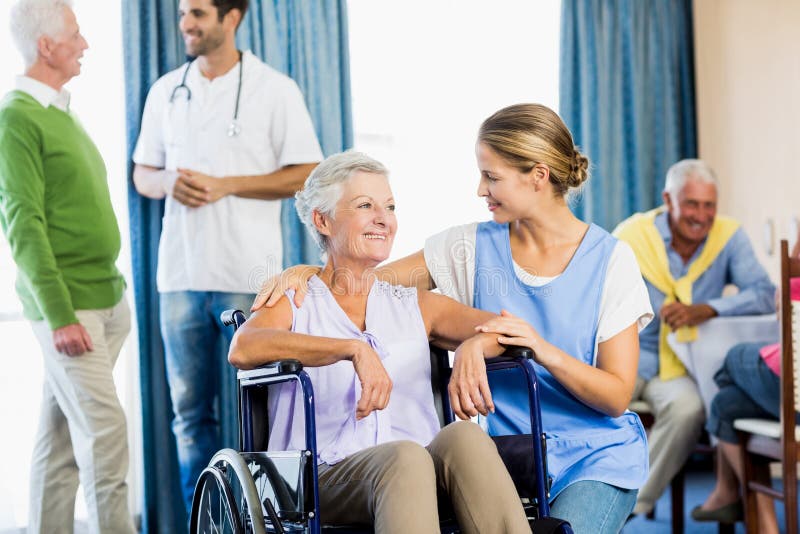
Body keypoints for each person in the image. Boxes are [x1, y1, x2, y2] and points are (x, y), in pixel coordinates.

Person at [253, 103, 653, 533]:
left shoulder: (611, 260)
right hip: (509, 450)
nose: (481, 190)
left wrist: (496, 346)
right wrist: (309, 274)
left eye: (492, 176)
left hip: (595, 453)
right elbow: (364, 281)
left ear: (538, 176)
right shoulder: (468, 247)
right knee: (455, 444)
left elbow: (615, 396)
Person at [229, 151, 532, 533]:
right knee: (405, 458)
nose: (383, 218)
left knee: (464, 436)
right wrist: (351, 349)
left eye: (389, 206)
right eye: (364, 205)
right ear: (323, 220)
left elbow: (508, 330)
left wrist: (472, 346)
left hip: (417, 465)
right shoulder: (296, 301)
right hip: (322, 477)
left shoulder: (414, 305)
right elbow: (244, 347)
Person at [131, 0, 323, 511]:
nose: (186, 24)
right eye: (182, 14)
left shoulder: (275, 89)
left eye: (197, 13)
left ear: (231, 18)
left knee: (259, 408)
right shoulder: (166, 91)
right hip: (180, 276)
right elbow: (141, 172)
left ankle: (263, 517)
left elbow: (308, 173)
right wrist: (167, 180)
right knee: (190, 415)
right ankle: (209, 518)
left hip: (249, 277)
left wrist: (227, 185)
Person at [0, 1, 135, 532]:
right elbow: (23, 225)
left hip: (104, 300)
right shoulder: (17, 117)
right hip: (72, 310)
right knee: (106, 436)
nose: (85, 44)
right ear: (46, 46)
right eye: (75, 35)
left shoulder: (62, 111)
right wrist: (59, 315)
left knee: (59, 443)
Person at [613, 159, 775, 516]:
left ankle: (626, 505)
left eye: (709, 205)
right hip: (627, 354)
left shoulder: (727, 236)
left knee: (690, 409)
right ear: (668, 200)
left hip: (682, 365)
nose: (701, 216)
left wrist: (709, 308)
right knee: (598, 404)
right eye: (691, 204)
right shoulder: (630, 237)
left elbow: (765, 292)